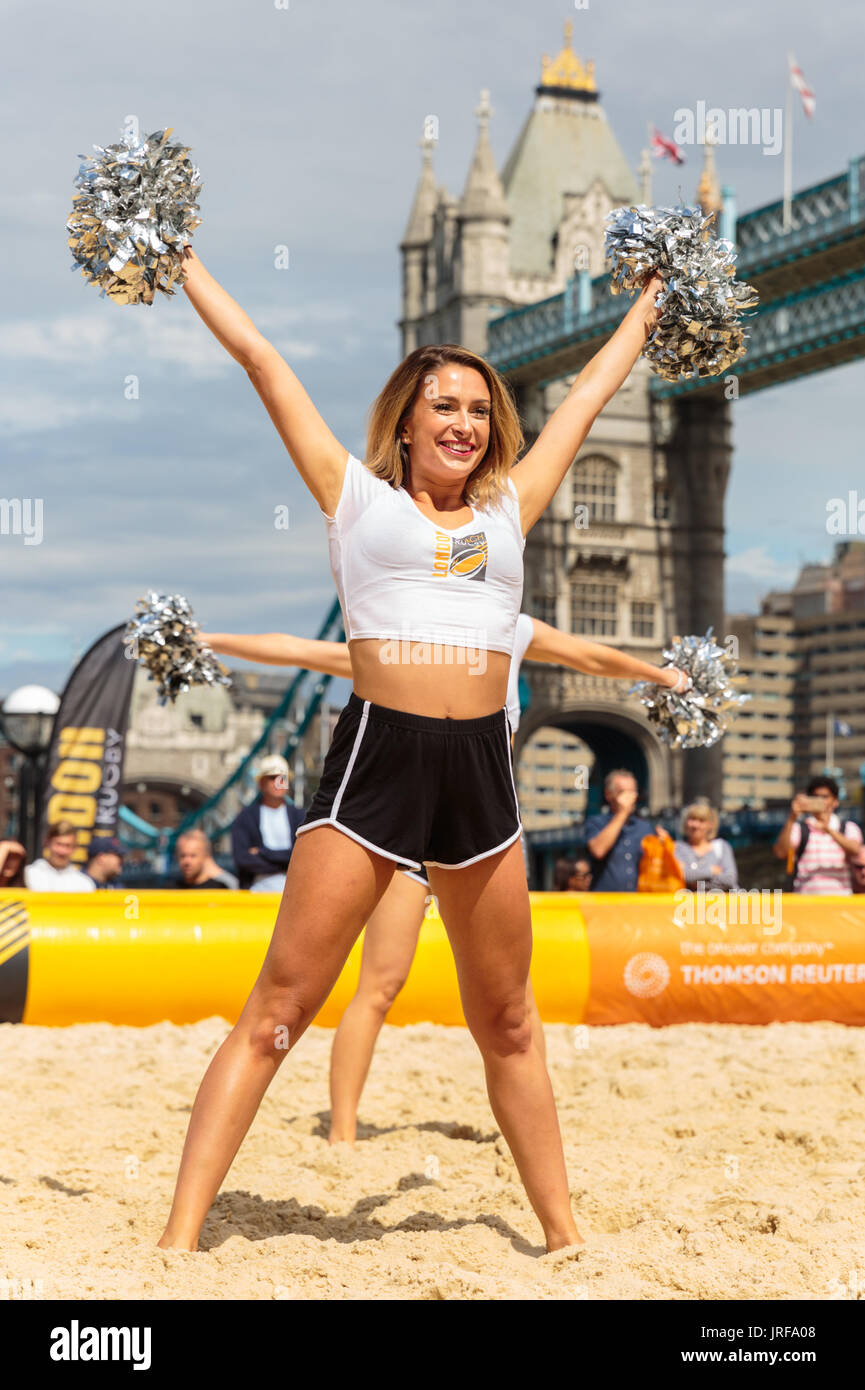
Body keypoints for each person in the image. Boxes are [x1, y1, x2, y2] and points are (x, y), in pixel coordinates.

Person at [157, 238, 665, 1256]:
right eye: (444, 405)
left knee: (509, 1021)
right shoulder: (357, 499)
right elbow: (263, 360)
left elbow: (589, 396)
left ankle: (562, 1238)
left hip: (481, 770)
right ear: (405, 419)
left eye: (479, 410)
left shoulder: (509, 506)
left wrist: (651, 303)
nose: (465, 423)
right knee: (277, 1012)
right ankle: (175, 1244)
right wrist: (181, 263)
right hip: (376, 759)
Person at [200, 616, 684, 1143]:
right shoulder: (410, 631)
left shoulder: (510, 627)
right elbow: (299, 648)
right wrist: (211, 640)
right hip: (402, 828)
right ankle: (342, 1132)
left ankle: (521, 1131)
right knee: (381, 986)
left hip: (479, 829)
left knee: (515, 995)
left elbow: (594, 657)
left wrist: (667, 678)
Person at [773, 776, 863, 894]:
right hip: (805, 903)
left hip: (839, 902)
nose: (820, 801)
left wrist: (828, 830)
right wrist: (792, 817)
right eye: (815, 797)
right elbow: (781, 853)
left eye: (824, 797)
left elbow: (855, 850)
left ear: (835, 801)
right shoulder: (800, 828)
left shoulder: (848, 828)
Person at [230, 755, 306, 892]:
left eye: (283, 778)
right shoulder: (245, 818)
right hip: (256, 894)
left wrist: (262, 852)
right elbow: (242, 859)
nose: (278, 782)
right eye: (272, 778)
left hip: (295, 892)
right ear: (261, 783)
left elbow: (305, 857)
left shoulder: (300, 816)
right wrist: (286, 863)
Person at [584, 771, 655, 891]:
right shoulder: (596, 823)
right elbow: (598, 850)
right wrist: (623, 813)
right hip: (604, 904)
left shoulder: (645, 828)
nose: (630, 798)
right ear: (608, 794)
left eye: (632, 792)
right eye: (622, 792)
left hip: (637, 904)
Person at [670, 802, 738, 890]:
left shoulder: (722, 847)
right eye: (692, 819)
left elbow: (729, 880)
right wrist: (711, 871)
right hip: (690, 902)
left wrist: (696, 883)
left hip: (722, 903)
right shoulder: (677, 848)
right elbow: (682, 876)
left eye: (701, 821)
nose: (695, 825)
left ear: (710, 825)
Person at [24, 821, 95, 892]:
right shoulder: (28, 875)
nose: (62, 851)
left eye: (68, 846)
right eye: (58, 844)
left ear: (75, 848)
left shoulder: (85, 884)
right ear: (47, 843)